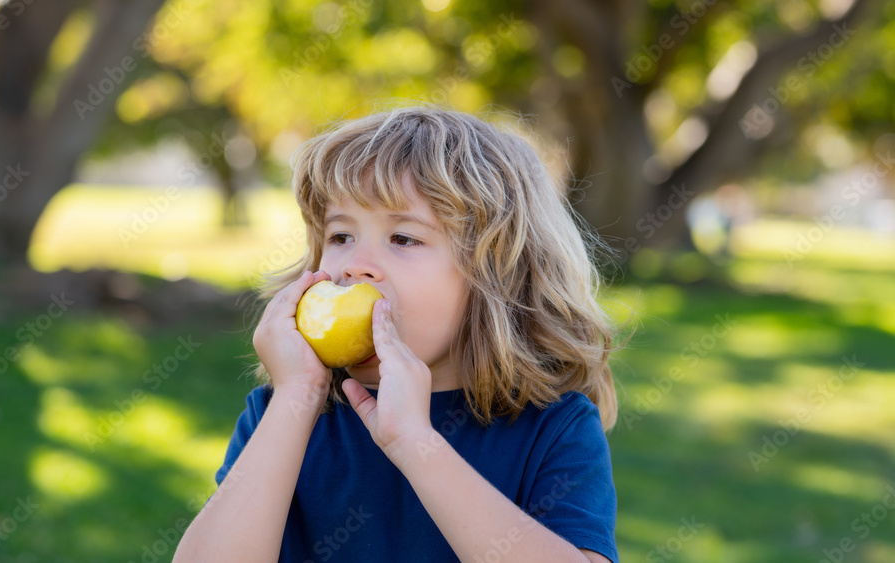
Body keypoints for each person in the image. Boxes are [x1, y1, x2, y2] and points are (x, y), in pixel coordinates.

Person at [173, 106, 620, 562]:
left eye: (404, 238)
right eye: (341, 235)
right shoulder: (284, 414)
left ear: (497, 278)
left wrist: (415, 443)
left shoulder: (553, 429)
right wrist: (296, 396)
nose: (353, 265)